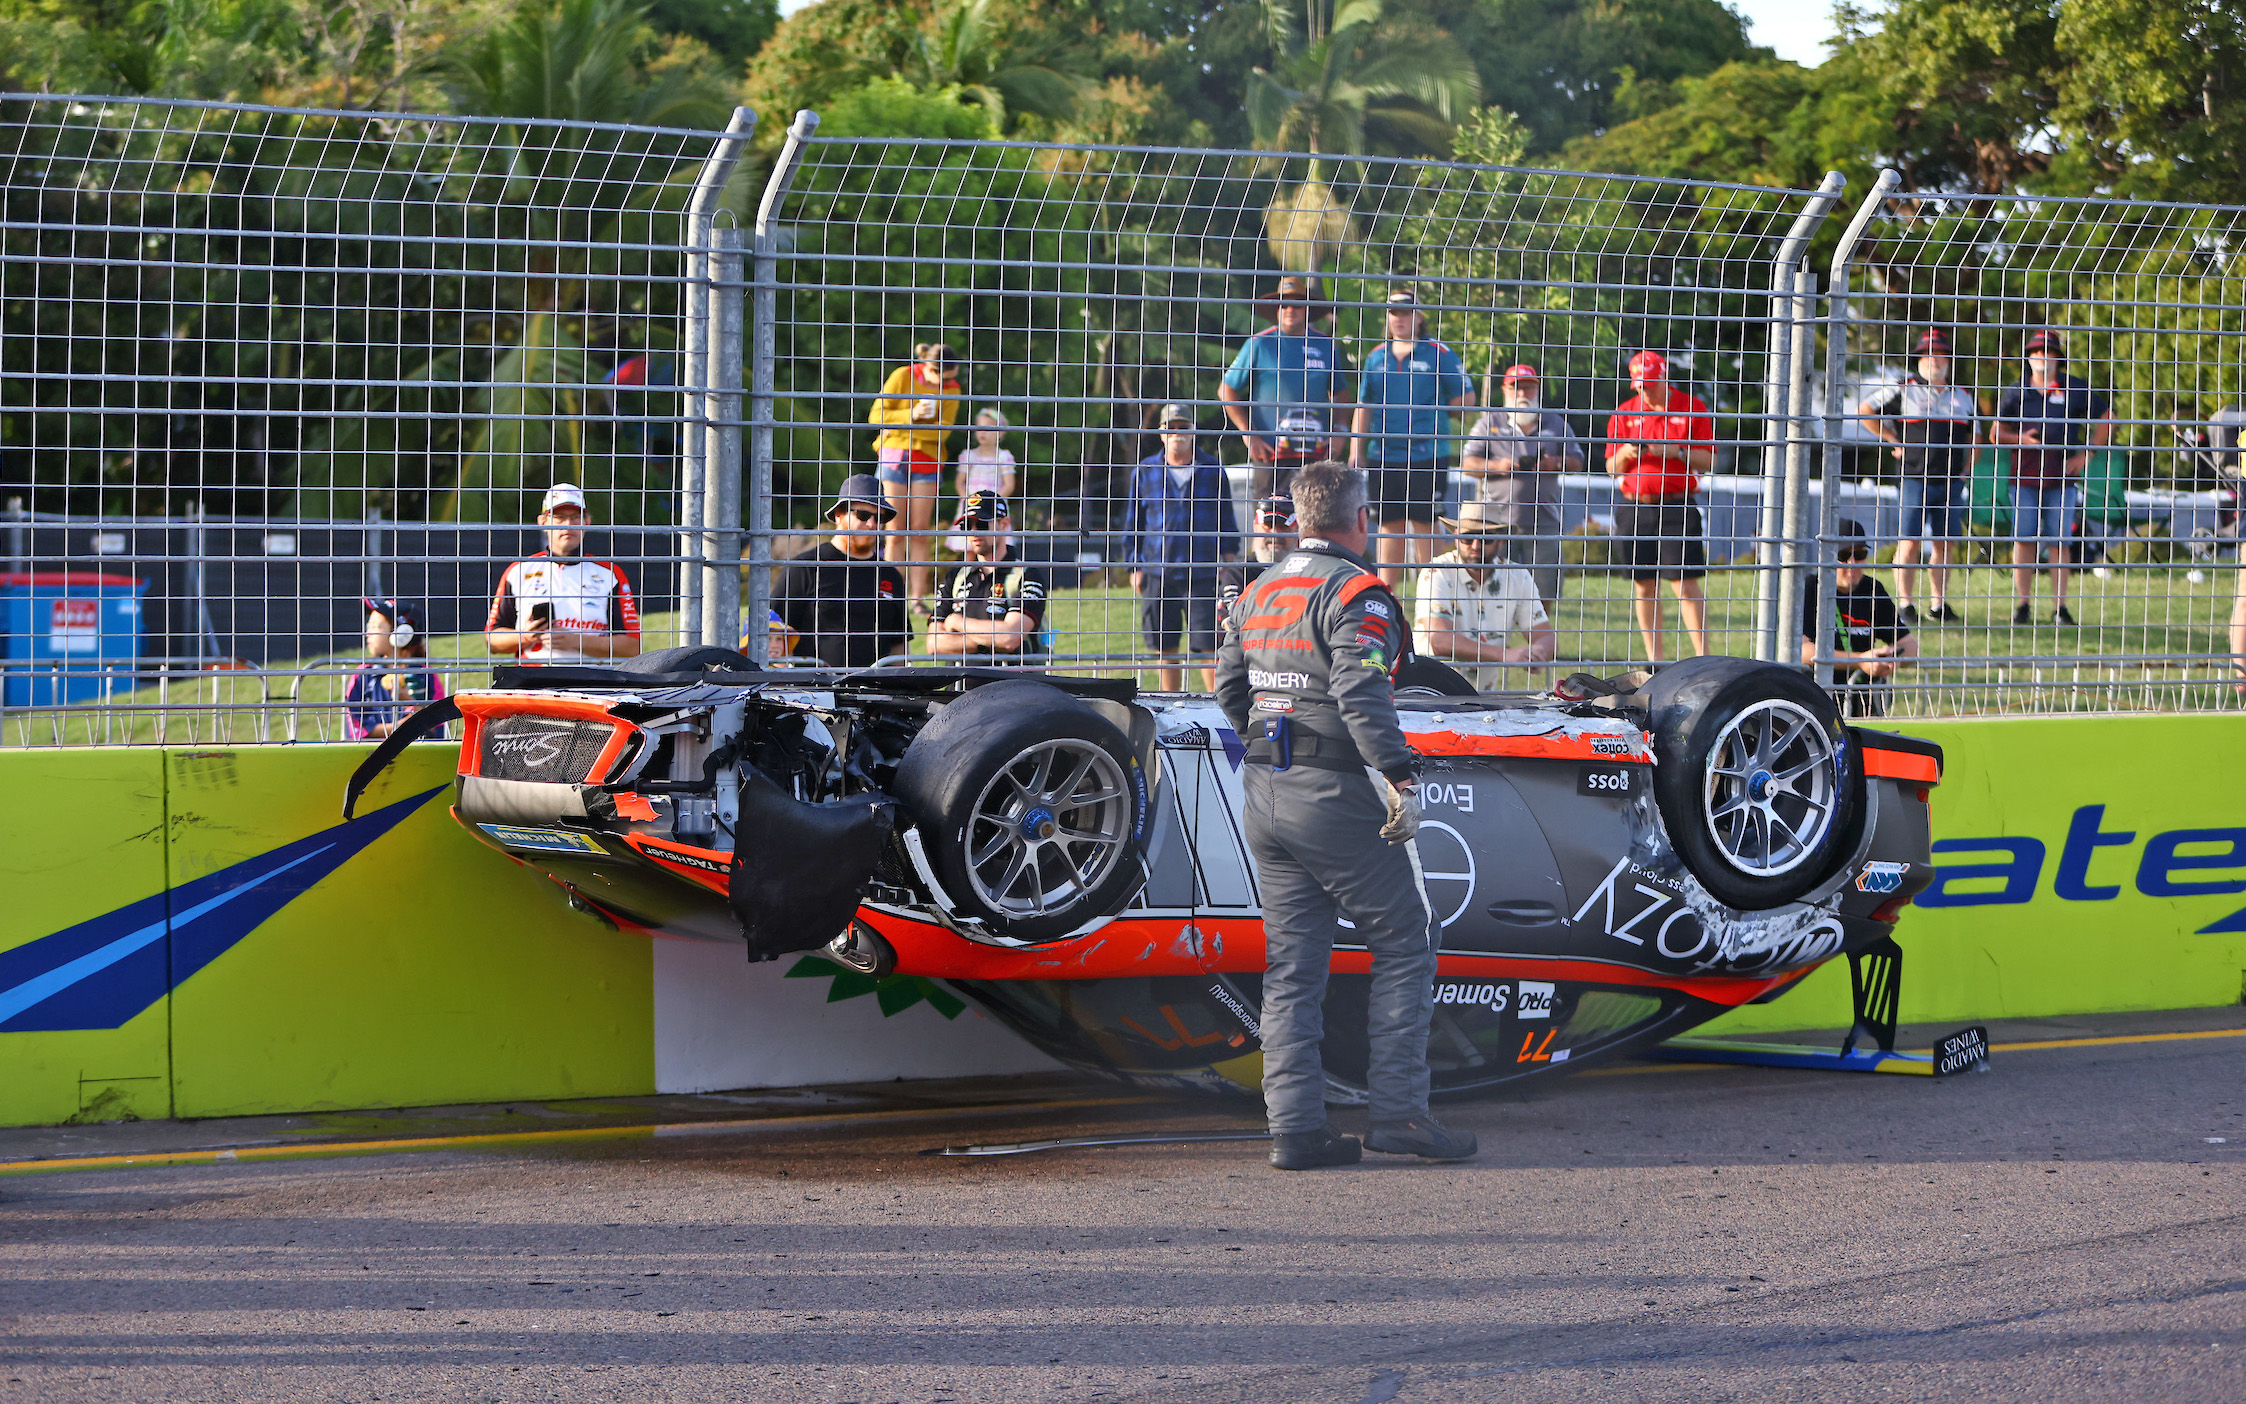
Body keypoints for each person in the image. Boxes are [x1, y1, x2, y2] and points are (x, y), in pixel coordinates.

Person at [1214, 459, 1475, 1172]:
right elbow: (1362, 692)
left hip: (1265, 788)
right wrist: (1399, 776)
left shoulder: (1260, 587)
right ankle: (1400, 1117)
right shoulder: (1360, 593)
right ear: (1360, 521)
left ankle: (1295, 1131)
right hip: (1334, 792)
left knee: (1292, 968)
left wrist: (1273, 743)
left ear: (1298, 519)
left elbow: (1228, 689)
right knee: (1405, 939)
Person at [1349, 288, 1473, 591]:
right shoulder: (1376, 356)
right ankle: (1386, 597)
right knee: (1389, 526)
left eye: (1406, 312)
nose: (1399, 318)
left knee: (1425, 525)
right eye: (1394, 312)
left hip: (1426, 454)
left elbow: (1467, 401)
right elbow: (1363, 406)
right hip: (1384, 455)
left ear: (1419, 316)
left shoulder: (1439, 353)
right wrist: (1356, 450)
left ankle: (1435, 597)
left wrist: (1431, 409)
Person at [1859, 329, 1977, 626]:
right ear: (1920, 359)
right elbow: (1865, 410)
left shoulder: (1963, 395)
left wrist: (1965, 472)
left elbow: (1976, 438)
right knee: (1909, 543)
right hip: (1914, 479)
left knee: (1945, 545)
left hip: (1950, 483)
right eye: (1929, 354)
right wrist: (1889, 437)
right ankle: (1905, 604)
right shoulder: (1902, 388)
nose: (1935, 360)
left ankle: (1938, 605)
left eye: (1940, 354)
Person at [1993, 329, 2111, 626]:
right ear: (2029, 357)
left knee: (2060, 541)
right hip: (2024, 478)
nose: (2041, 356)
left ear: (2058, 357)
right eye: (2035, 351)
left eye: (2047, 351)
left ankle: (2060, 608)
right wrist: (2020, 439)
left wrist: (2087, 454)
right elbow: (1996, 434)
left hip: (2061, 479)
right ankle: (2022, 606)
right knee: (2024, 539)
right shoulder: (2017, 389)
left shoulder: (2074, 388)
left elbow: (2107, 417)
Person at [1604, 350, 1715, 661]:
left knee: (1685, 583)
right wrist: (1627, 452)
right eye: (1639, 385)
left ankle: (1703, 658)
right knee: (1643, 585)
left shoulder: (1691, 407)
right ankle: (1656, 660)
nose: (1645, 391)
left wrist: (1676, 452)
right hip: (1635, 505)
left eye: (1650, 383)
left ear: (1664, 377)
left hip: (1677, 506)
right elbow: (1611, 468)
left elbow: (1710, 460)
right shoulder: (1624, 412)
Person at [1126, 404, 1240, 691]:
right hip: (1157, 570)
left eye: (1183, 428)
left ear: (1193, 431)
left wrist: (1229, 561)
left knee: (1208, 646)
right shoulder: (1144, 471)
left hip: (1202, 571)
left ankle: (1217, 707)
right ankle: (1170, 704)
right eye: (1171, 428)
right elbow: (1133, 523)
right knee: (1166, 647)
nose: (1177, 434)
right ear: (1161, 433)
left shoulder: (1212, 470)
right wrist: (1134, 566)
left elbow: (1226, 517)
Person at [1460, 362, 1581, 613]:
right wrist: (1499, 465)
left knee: (1544, 587)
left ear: (1537, 390)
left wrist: (1554, 463)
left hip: (1543, 521)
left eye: (1528, 388)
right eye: (1516, 388)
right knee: (1492, 586)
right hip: (1495, 524)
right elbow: (1468, 464)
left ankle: (1539, 641)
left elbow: (1578, 462)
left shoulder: (1556, 423)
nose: (1523, 394)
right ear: (1505, 391)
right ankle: (1494, 641)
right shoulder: (1488, 423)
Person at [1219, 277, 1352, 499]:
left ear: (1308, 309)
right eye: (1283, 304)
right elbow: (1226, 389)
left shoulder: (1325, 344)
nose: (1290, 310)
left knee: (1315, 520)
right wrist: (1248, 433)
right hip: (1271, 454)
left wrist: (1340, 430)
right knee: (1267, 523)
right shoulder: (1259, 343)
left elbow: (1341, 392)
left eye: (1297, 304)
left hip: (1315, 454)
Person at [484, 483, 642, 661]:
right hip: (534, 682)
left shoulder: (610, 573)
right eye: (559, 517)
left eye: (576, 517)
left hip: (592, 682)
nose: (568, 525)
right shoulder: (518, 570)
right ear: (543, 522)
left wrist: (576, 641)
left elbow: (633, 646)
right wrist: (525, 635)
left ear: (587, 522)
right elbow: (491, 640)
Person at [1413, 501, 1556, 691]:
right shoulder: (1436, 571)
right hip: (1430, 691)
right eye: (1467, 538)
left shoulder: (1517, 576)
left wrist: (1538, 652)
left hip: (1483, 695)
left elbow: (1546, 637)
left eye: (1485, 538)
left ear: (1501, 539)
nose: (1476, 545)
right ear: (1456, 537)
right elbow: (1441, 641)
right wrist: (1506, 655)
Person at [772, 473, 910, 670]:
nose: (871, 524)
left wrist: (899, 689)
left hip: (878, 694)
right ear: (839, 515)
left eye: (878, 517)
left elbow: (900, 643)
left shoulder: (890, 575)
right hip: (815, 691)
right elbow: (774, 631)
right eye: (862, 515)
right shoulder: (805, 567)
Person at [870, 342, 964, 611]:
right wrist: (912, 415)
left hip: (928, 462)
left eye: (947, 377)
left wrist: (900, 428)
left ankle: (917, 598)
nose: (941, 382)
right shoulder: (903, 376)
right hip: (895, 458)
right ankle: (890, 596)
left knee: (920, 532)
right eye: (937, 375)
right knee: (894, 532)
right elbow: (876, 416)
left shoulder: (953, 388)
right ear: (928, 367)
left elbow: (943, 433)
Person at [1801, 520, 1919, 718]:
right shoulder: (1812, 587)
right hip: (1818, 698)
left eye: (1860, 555)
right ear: (1827, 556)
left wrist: (1890, 659)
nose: (1852, 564)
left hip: (1863, 697)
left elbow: (1911, 647)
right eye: (1844, 555)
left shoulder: (1873, 589)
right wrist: (1860, 661)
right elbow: (1801, 652)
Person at [927, 490, 1048, 664]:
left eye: (982, 524)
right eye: (967, 525)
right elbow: (934, 644)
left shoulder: (1026, 575)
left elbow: (1009, 639)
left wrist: (957, 622)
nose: (974, 532)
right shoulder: (955, 577)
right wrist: (990, 642)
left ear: (1004, 524)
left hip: (1012, 687)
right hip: (960, 689)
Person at [345, 598, 447, 740]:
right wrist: (401, 726)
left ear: (402, 633)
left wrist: (409, 700)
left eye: (376, 627)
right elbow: (357, 728)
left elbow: (437, 730)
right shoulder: (362, 675)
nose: (367, 633)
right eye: (369, 627)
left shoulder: (428, 676)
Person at [948, 408, 1018, 552]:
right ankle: (969, 572)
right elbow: (960, 481)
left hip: (993, 506)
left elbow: (1009, 484)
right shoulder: (969, 456)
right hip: (972, 504)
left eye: (988, 429)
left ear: (1000, 433)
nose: (982, 433)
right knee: (970, 545)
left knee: (993, 545)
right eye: (979, 429)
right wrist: (966, 499)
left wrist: (994, 502)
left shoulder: (1003, 457)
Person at [1219, 493, 1299, 617]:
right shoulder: (1238, 575)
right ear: (1256, 528)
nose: (1275, 534)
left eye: (1283, 527)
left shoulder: (1309, 571)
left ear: (1297, 531)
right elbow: (1233, 624)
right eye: (1268, 526)